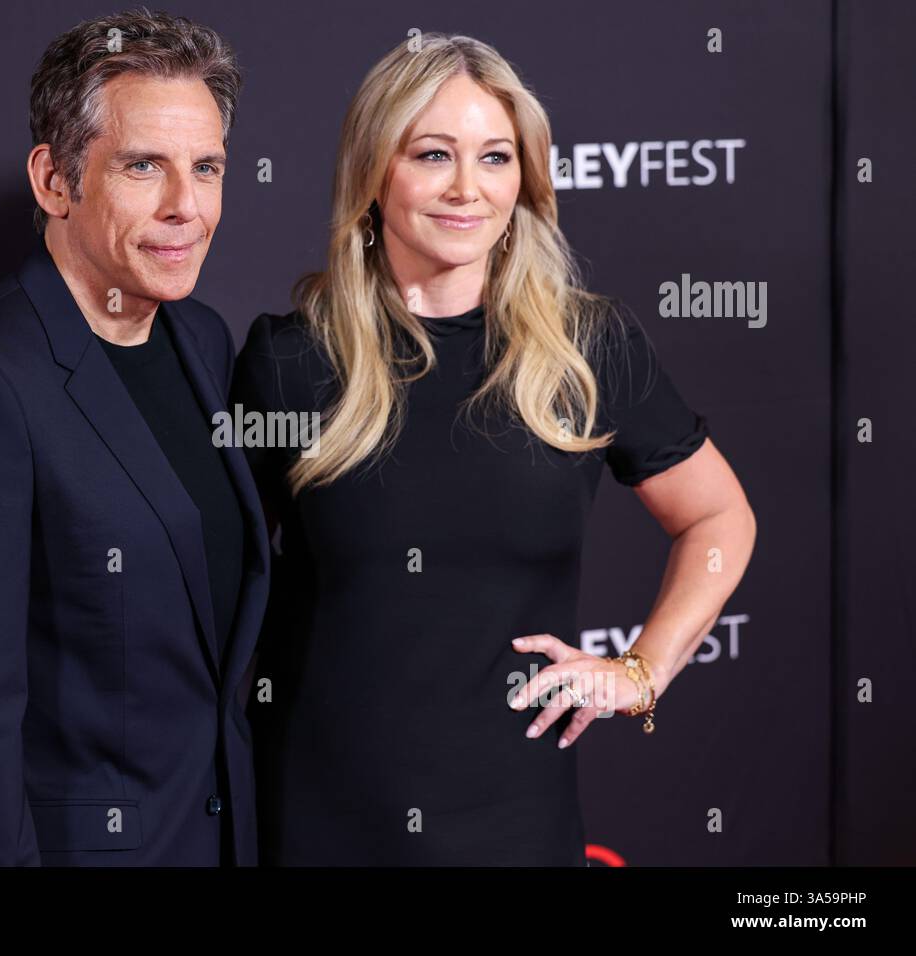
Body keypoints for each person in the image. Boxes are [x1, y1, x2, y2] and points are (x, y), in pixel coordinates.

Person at [231, 33, 757, 865]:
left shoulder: (588, 348)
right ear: (373, 172)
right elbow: (212, 583)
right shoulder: (293, 359)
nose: (467, 188)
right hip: (321, 817)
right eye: (433, 155)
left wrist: (642, 671)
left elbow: (718, 519)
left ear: (525, 176)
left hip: (517, 820)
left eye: (496, 157)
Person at [0, 9, 269, 866]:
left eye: (206, 168)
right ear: (54, 180)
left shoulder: (200, 338)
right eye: (143, 166)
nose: (186, 207)